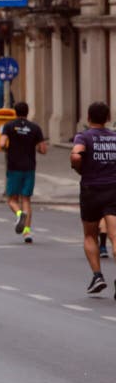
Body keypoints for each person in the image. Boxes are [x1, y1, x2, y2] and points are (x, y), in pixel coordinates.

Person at [71, 102, 116, 297]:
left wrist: (78, 167)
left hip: (91, 189)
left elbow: (76, 155)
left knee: (90, 235)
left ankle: (97, 276)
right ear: (108, 118)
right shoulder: (115, 137)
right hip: (114, 188)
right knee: (115, 235)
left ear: (88, 118)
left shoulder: (84, 136)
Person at [0, 101, 47, 243]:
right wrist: (36, 148)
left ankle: (19, 214)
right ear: (27, 112)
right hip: (29, 167)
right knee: (26, 199)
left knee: (12, 199)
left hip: (14, 167)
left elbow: (2, 143)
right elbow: (43, 150)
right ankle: (27, 232)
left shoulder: (9, 126)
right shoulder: (35, 128)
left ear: (15, 112)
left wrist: (6, 149)